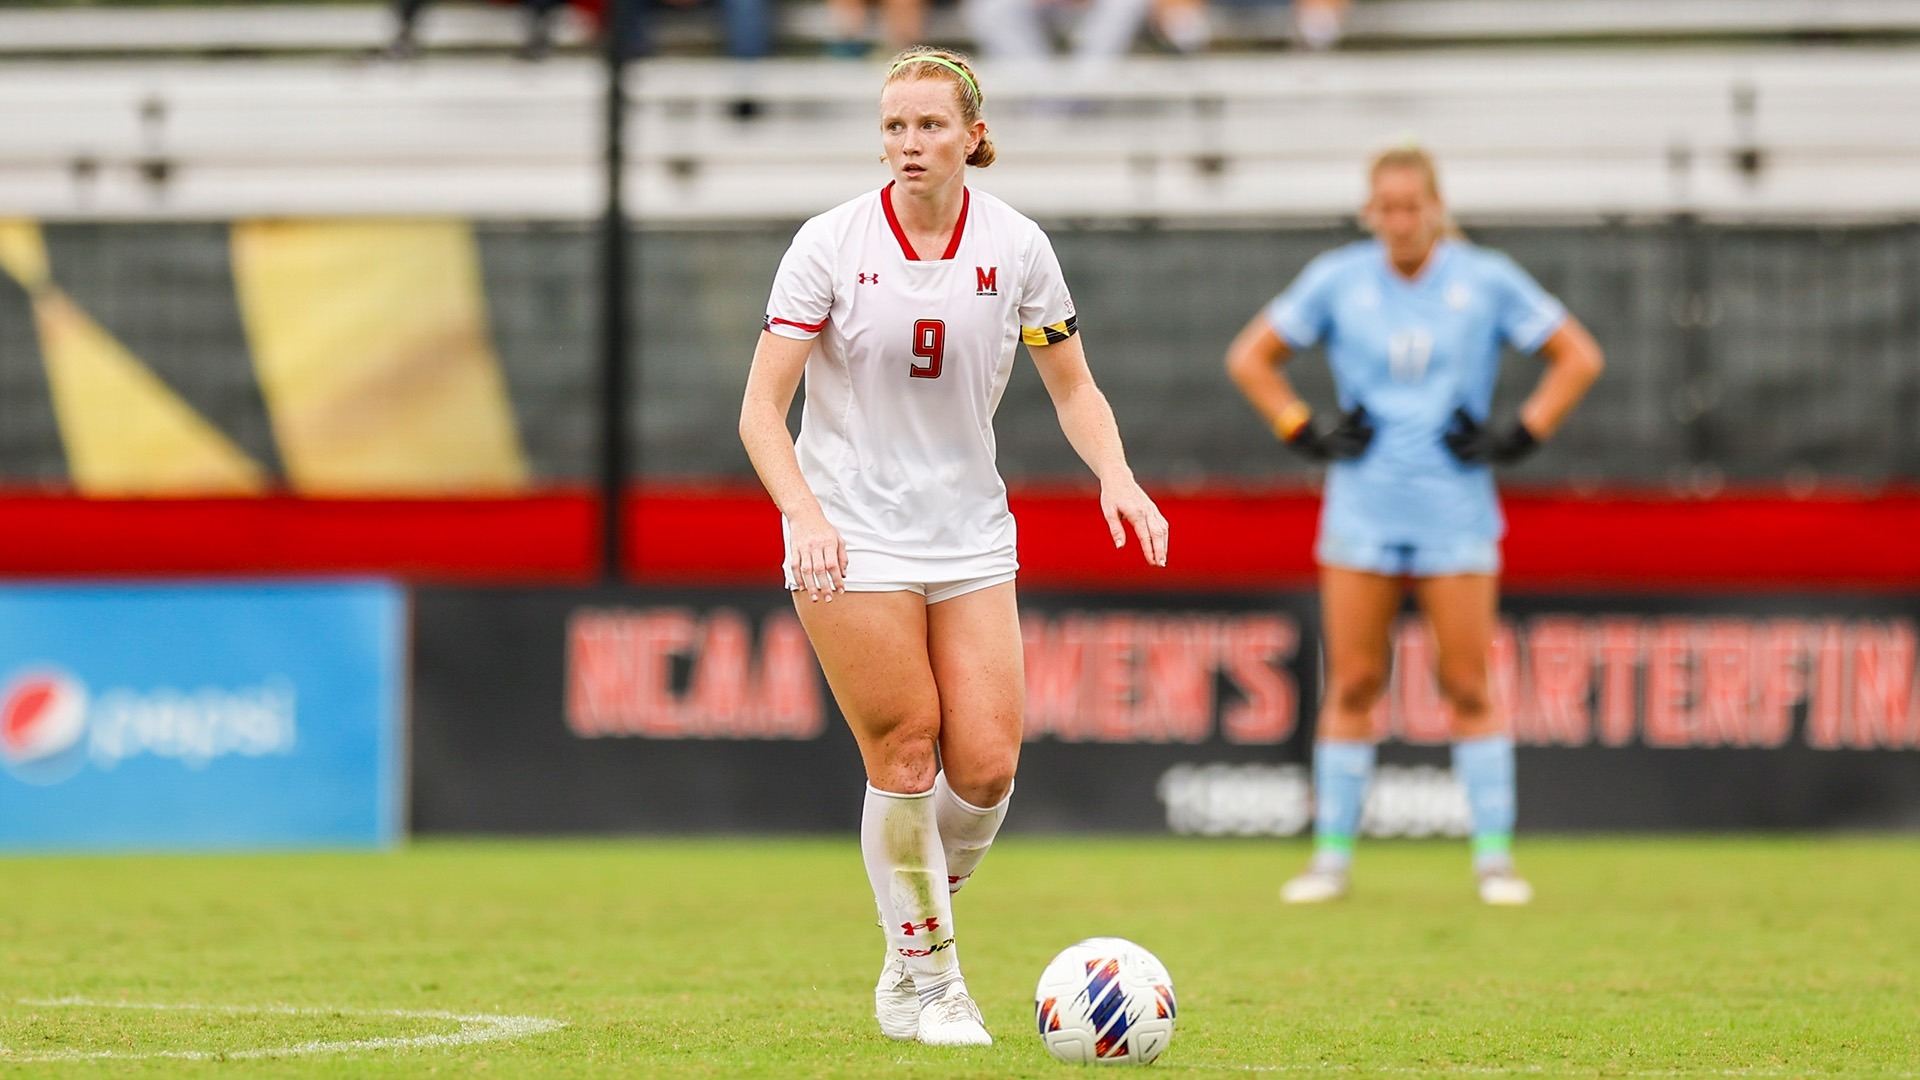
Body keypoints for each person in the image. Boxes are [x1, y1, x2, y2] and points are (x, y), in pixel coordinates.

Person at [738, 47, 1169, 1044]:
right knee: (905, 748)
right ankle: (932, 986)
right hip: (851, 534)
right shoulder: (829, 243)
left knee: (984, 770)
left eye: (930, 125)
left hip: (970, 534)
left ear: (973, 136)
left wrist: (1116, 474)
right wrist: (804, 513)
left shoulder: (1017, 246)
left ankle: (906, 942)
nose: (909, 143)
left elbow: (1073, 385)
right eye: (894, 126)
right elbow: (761, 408)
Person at [1224, 145, 1603, 906]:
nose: (1400, 221)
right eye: (1387, 208)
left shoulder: (1485, 278)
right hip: (1362, 508)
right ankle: (1331, 859)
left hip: (1454, 511)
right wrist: (1301, 428)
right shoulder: (1339, 278)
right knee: (1354, 680)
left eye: (1412, 206)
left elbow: (1577, 356)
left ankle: (1494, 860)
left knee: (1466, 681)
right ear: (1371, 212)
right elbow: (1251, 357)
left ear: (1436, 207)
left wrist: (1520, 434)